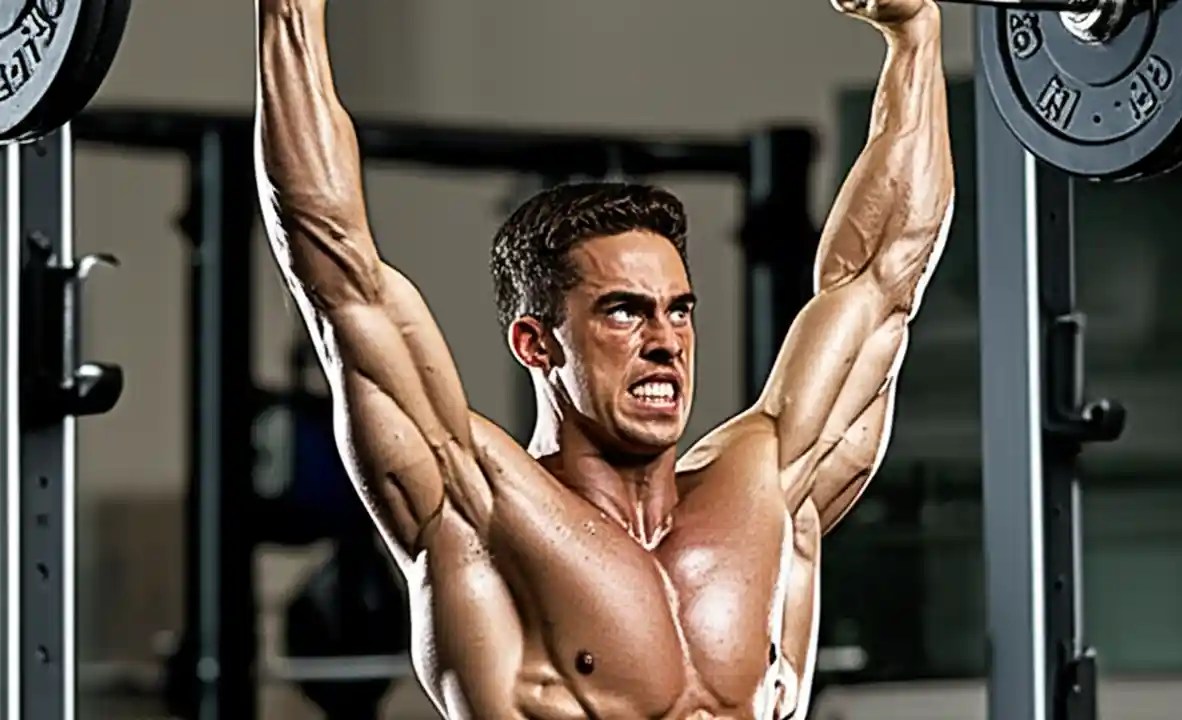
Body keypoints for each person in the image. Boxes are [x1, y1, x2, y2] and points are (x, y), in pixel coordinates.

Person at [253, 0, 954, 716]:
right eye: (626, 311)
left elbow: (884, 276)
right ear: (535, 343)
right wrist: (291, 12)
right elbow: (339, 271)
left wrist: (915, 36)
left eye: (679, 311)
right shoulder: (481, 512)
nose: (665, 340)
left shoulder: (767, 490)